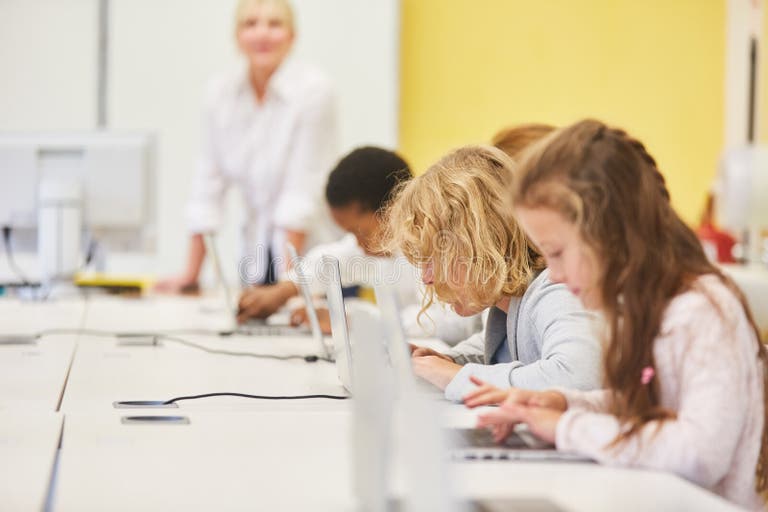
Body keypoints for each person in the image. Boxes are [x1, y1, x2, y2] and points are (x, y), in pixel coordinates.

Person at [466, 119, 768, 510]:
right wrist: (565, 402)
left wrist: (568, 428)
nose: (552, 275)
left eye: (557, 253)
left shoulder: (701, 313)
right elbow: (644, 409)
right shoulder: (645, 307)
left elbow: (698, 454)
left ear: (610, 232)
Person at [383, 142, 602, 402]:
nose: (427, 278)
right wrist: (449, 361)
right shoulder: (513, 301)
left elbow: (581, 376)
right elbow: (506, 351)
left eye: (435, 259)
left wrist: (457, 376)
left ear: (478, 243)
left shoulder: (556, 288)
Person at [157, 0, 338, 293]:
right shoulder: (220, 94)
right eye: (250, 23)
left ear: (293, 35)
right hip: (256, 255)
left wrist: (285, 289)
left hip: (310, 260)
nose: (262, 34)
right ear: (237, 36)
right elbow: (207, 186)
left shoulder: (315, 91)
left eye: (275, 24)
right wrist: (190, 275)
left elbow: (301, 193)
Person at [237, 146, 481, 344]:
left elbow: (449, 324)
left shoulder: (437, 249)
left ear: (393, 210)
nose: (356, 242)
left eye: (357, 231)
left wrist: (353, 320)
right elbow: (333, 260)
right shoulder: (377, 247)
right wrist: (284, 290)